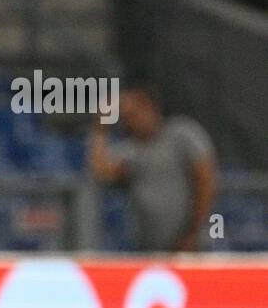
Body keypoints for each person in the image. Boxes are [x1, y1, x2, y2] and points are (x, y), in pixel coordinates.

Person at [90, 86, 217, 252]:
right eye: (125, 118)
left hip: (190, 246)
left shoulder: (182, 134)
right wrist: (100, 129)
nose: (129, 122)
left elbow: (206, 182)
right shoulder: (130, 150)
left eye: (133, 115)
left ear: (150, 107)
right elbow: (101, 173)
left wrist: (193, 232)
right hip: (149, 250)